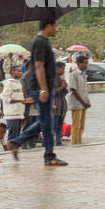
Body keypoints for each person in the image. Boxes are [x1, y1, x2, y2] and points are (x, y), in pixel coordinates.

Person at [7, 18, 67, 165]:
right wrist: (43, 89)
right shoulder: (40, 42)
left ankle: (17, 143)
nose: (57, 29)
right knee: (47, 122)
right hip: (40, 87)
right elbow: (39, 66)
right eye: (55, 26)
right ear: (48, 26)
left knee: (46, 121)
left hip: (45, 86)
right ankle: (48, 156)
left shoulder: (44, 42)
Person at [66, 54, 91, 145]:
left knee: (81, 125)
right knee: (76, 124)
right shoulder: (74, 74)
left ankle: (79, 141)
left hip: (83, 103)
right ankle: (74, 142)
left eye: (87, 63)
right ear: (79, 64)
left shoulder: (84, 74)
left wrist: (87, 101)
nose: (86, 65)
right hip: (77, 103)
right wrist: (83, 102)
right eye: (85, 63)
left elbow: (84, 89)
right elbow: (74, 89)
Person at [0, 64, 26, 149]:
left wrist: (24, 100)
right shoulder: (9, 83)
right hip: (11, 113)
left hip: (19, 112)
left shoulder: (19, 83)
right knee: (12, 134)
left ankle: (14, 149)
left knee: (17, 133)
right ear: (12, 72)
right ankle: (9, 151)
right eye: (18, 71)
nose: (20, 73)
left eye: (21, 71)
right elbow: (4, 97)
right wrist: (19, 101)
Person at [51, 62, 67, 145]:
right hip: (55, 106)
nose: (63, 71)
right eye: (62, 69)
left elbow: (64, 93)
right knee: (55, 127)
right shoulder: (51, 79)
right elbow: (52, 92)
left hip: (61, 106)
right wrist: (62, 87)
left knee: (59, 127)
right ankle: (54, 142)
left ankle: (58, 142)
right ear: (57, 69)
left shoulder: (60, 79)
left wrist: (65, 87)